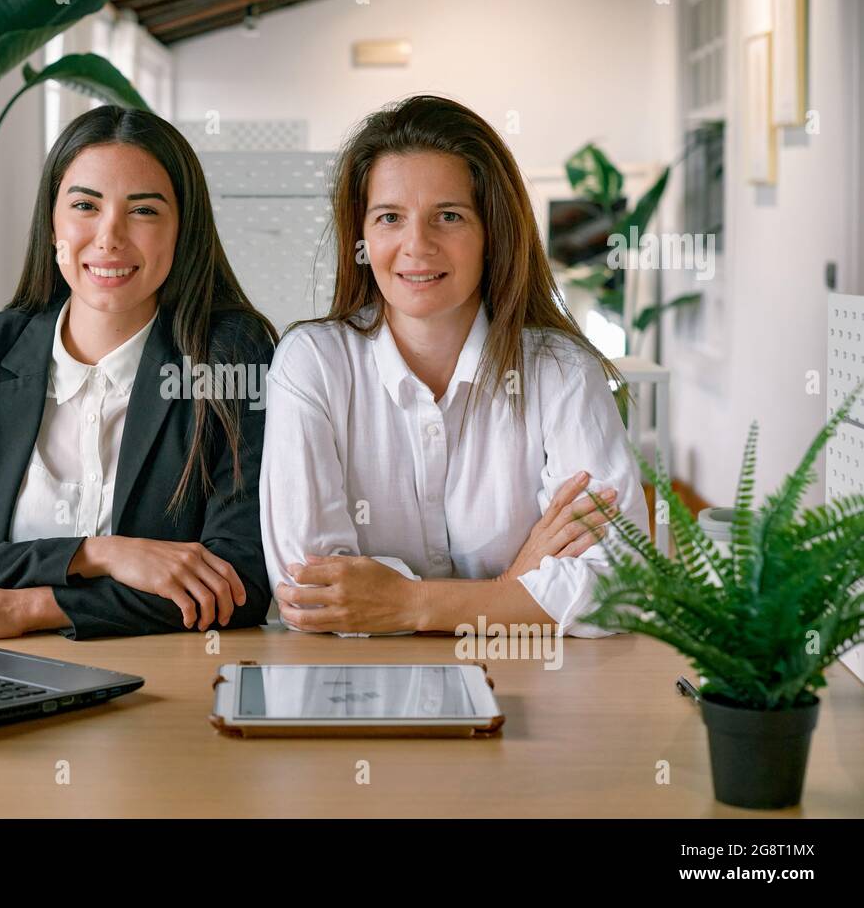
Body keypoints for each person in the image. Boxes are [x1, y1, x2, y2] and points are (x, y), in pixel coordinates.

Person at [260, 94, 650, 638]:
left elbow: (618, 589)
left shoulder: (561, 371)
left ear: (492, 233)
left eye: (449, 216)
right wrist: (516, 582)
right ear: (363, 240)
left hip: (529, 692)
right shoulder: (312, 364)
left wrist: (410, 605)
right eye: (390, 218)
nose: (417, 245)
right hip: (356, 690)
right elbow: (312, 593)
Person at [0, 105, 277, 640]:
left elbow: (239, 585)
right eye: (85, 206)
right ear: (53, 220)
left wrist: (30, 607)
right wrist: (97, 555)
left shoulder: (230, 357)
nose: (109, 236)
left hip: (159, 687)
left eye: (143, 211)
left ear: (181, 230)